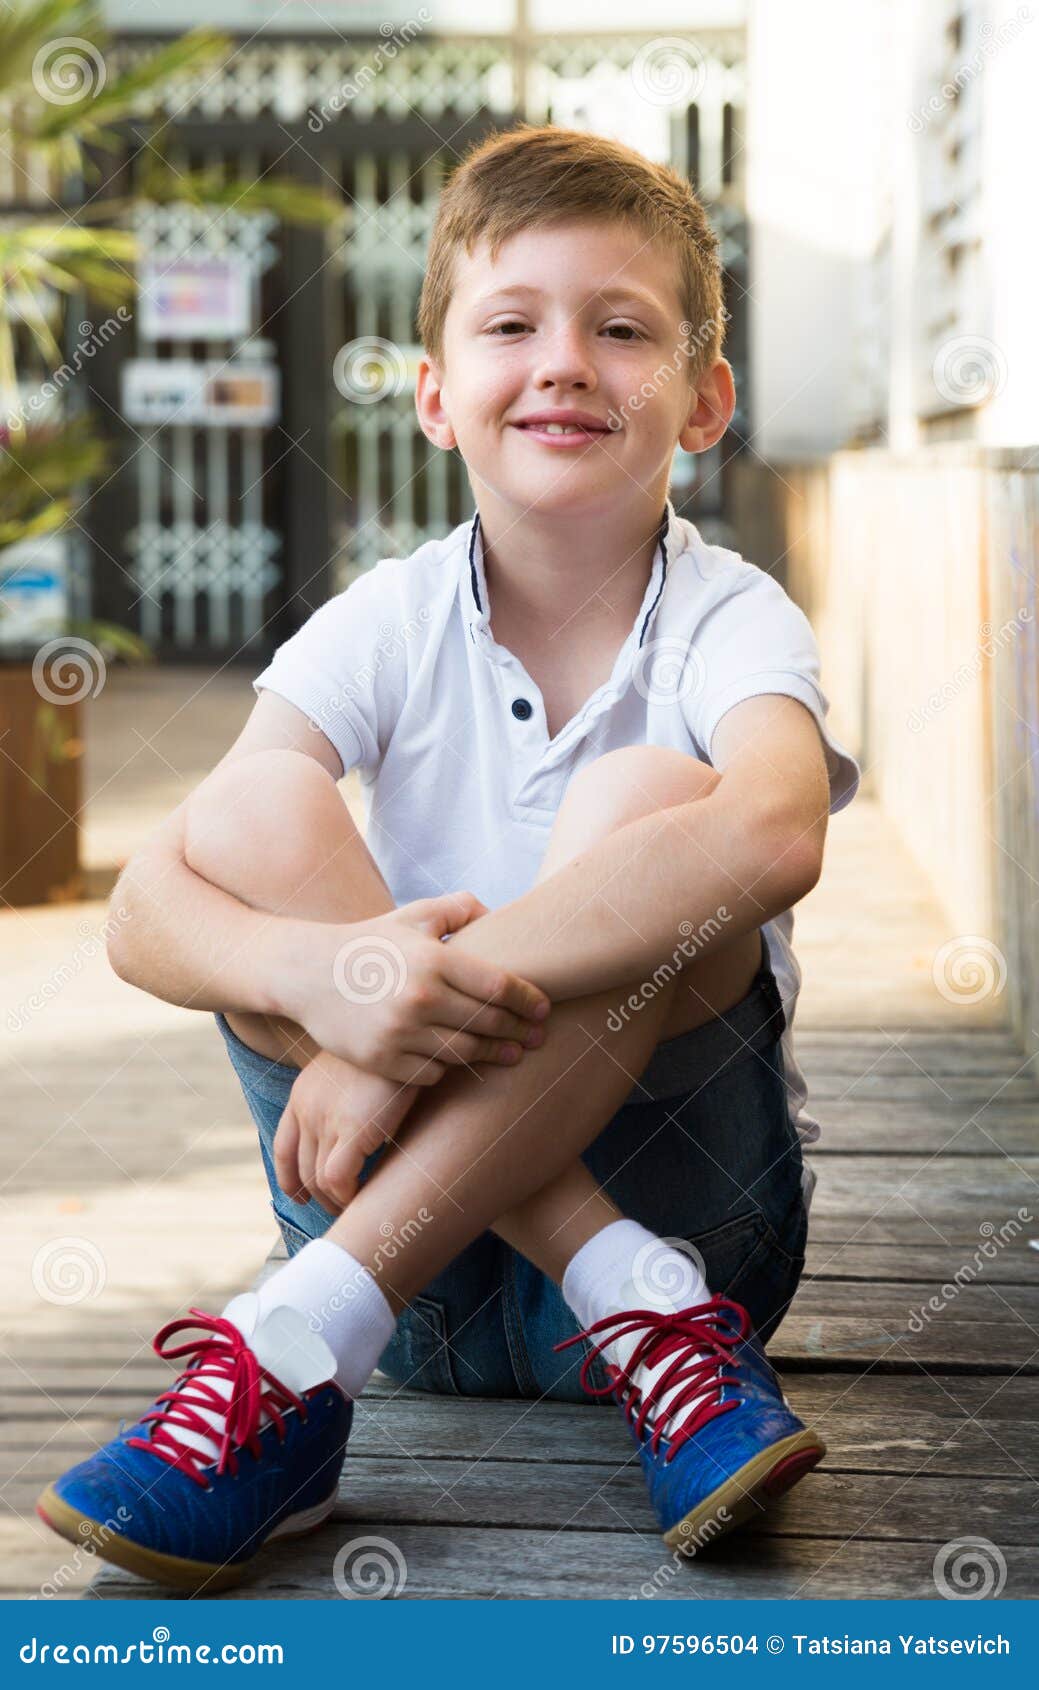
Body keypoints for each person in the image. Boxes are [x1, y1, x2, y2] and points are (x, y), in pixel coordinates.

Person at [37, 124, 860, 1592]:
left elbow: (777, 827)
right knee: (245, 814)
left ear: (706, 399)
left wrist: (406, 1008)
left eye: (622, 329)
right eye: (511, 326)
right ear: (435, 395)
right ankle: (599, 1280)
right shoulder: (385, 618)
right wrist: (331, 975)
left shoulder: (732, 616)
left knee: (653, 799)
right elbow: (152, 905)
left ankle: (298, 1343)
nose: (564, 363)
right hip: (443, 1307)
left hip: (689, 1222)